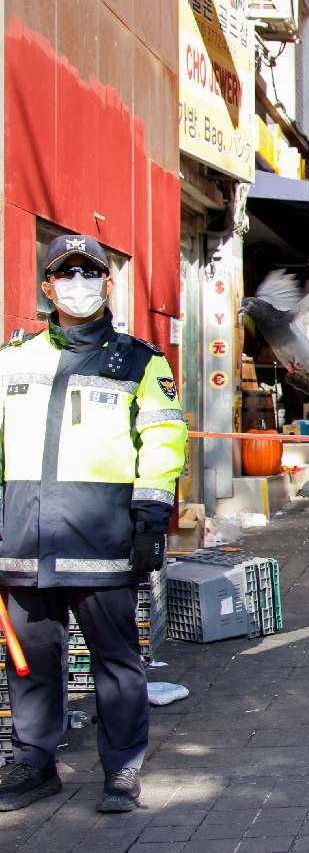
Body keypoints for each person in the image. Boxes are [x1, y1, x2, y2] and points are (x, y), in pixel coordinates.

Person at [0, 235, 187, 812]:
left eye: (90, 272)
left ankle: (122, 771)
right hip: (23, 546)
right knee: (29, 667)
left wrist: (150, 520)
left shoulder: (139, 361)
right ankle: (34, 764)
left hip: (102, 545)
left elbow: (162, 439)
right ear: (47, 287)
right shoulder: (13, 361)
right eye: (65, 273)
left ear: (108, 284)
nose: (77, 283)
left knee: (118, 666)